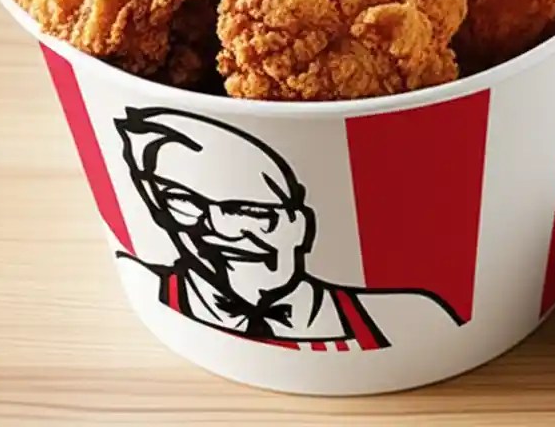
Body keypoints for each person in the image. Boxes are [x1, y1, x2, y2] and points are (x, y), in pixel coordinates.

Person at [114, 108, 462, 350]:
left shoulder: (407, 317)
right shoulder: (145, 282)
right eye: (185, 203)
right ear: (158, 211)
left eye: (250, 210)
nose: (221, 229)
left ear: (300, 225)